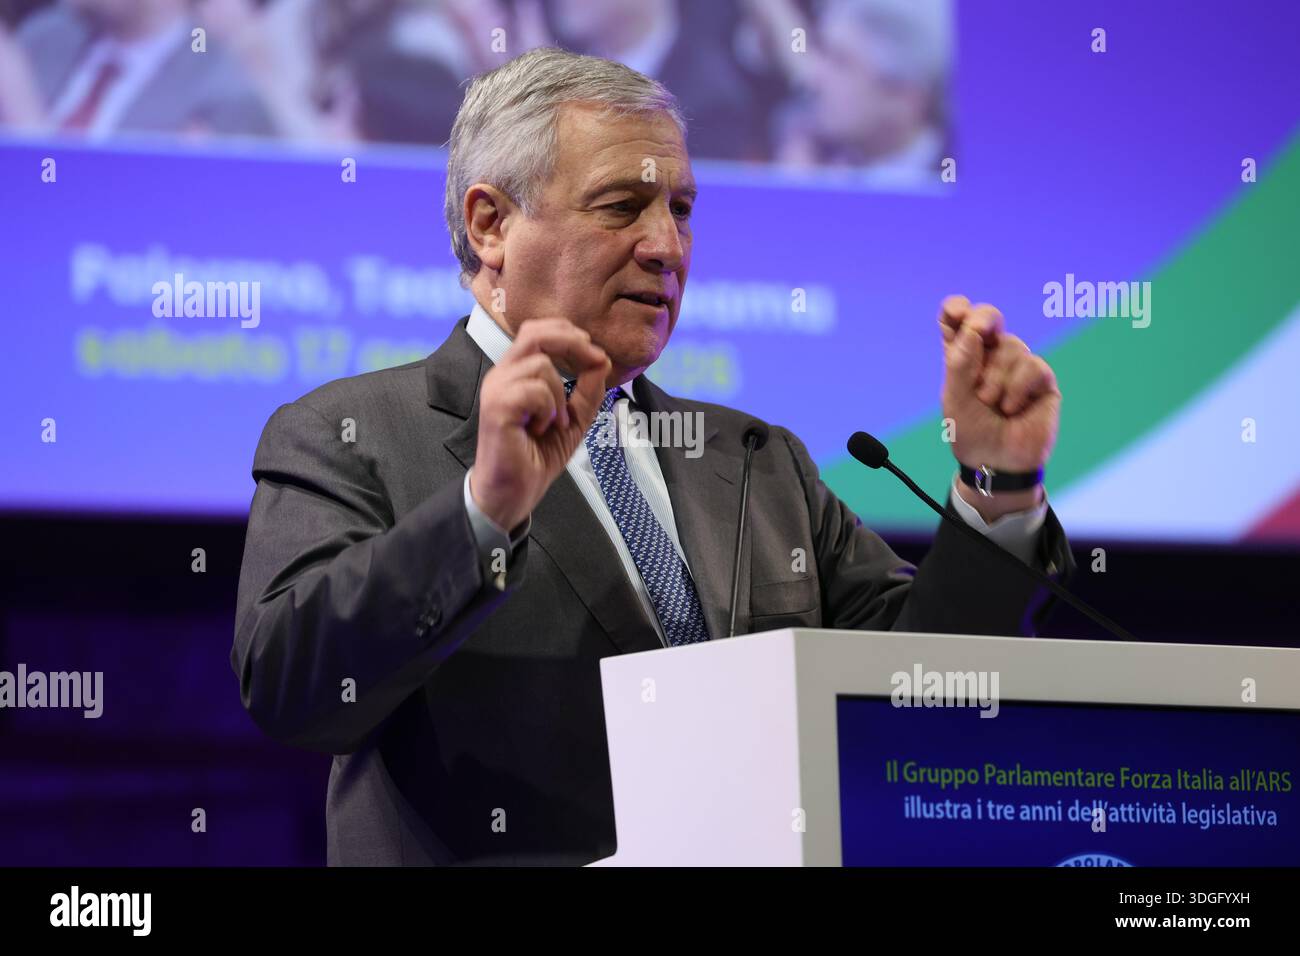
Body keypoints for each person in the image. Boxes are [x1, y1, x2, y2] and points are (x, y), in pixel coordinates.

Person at [232, 47, 1072, 866]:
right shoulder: (352, 433)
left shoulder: (753, 459)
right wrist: (481, 517)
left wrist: (999, 491)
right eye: (621, 206)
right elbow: (295, 690)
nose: (667, 246)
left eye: (681, 208)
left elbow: (918, 694)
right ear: (491, 224)